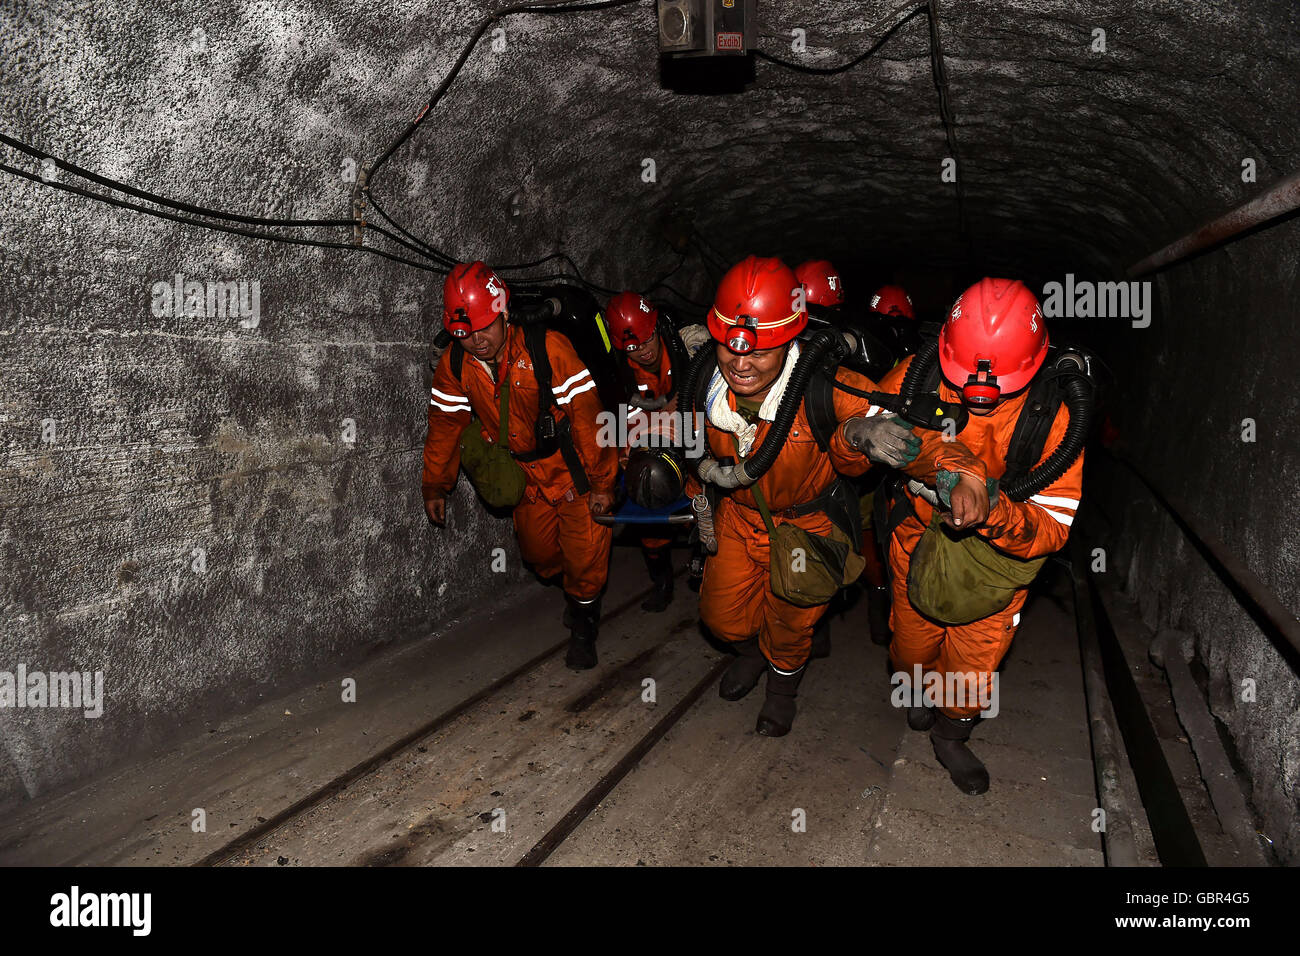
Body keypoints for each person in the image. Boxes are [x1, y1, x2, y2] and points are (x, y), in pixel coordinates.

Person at [687, 256, 989, 737]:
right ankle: (751, 653)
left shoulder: (826, 386)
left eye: (759, 352)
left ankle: (781, 693)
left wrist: (955, 470)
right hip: (738, 519)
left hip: (805, 526)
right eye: (730, 347)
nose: (740, 364)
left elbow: (921, 436)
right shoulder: (704, 380)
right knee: (721, 619)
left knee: (791, 620)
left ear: (789, 340)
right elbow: (685, 437)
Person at [876, 277, 1087, 794]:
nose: (982, 400)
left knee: (972, 672)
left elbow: (1055, 526)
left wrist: (993, 509)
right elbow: (868, 419)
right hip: (917, 537)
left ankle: (953, 735)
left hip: (998, 560)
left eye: (1000, 387)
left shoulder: (1054, 418)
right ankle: (919, 692)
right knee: (910, 647)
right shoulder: (918, 377)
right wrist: (872, 435)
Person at [421, 261, 618, 670]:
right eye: (464, 333)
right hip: (526, 479)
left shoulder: (548, 349)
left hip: (574, 472)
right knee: (540, 556)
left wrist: (602, 483)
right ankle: (577, 591)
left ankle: (583, 621)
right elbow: (445, 426)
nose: (476, 340)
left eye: (484, 327)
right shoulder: (456, 367)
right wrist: (435, 485)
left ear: (504, 312)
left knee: (584, 560)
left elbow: (587, 417)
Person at [604, 290, 685, 612]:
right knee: (647, 494)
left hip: (691, 432)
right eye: (633, 347)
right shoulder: (621, 372)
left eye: (648, 340)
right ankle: (662, 580)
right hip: (650, 440)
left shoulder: (682, 351)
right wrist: (624, 455)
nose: (644, 351)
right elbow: (619, 417)